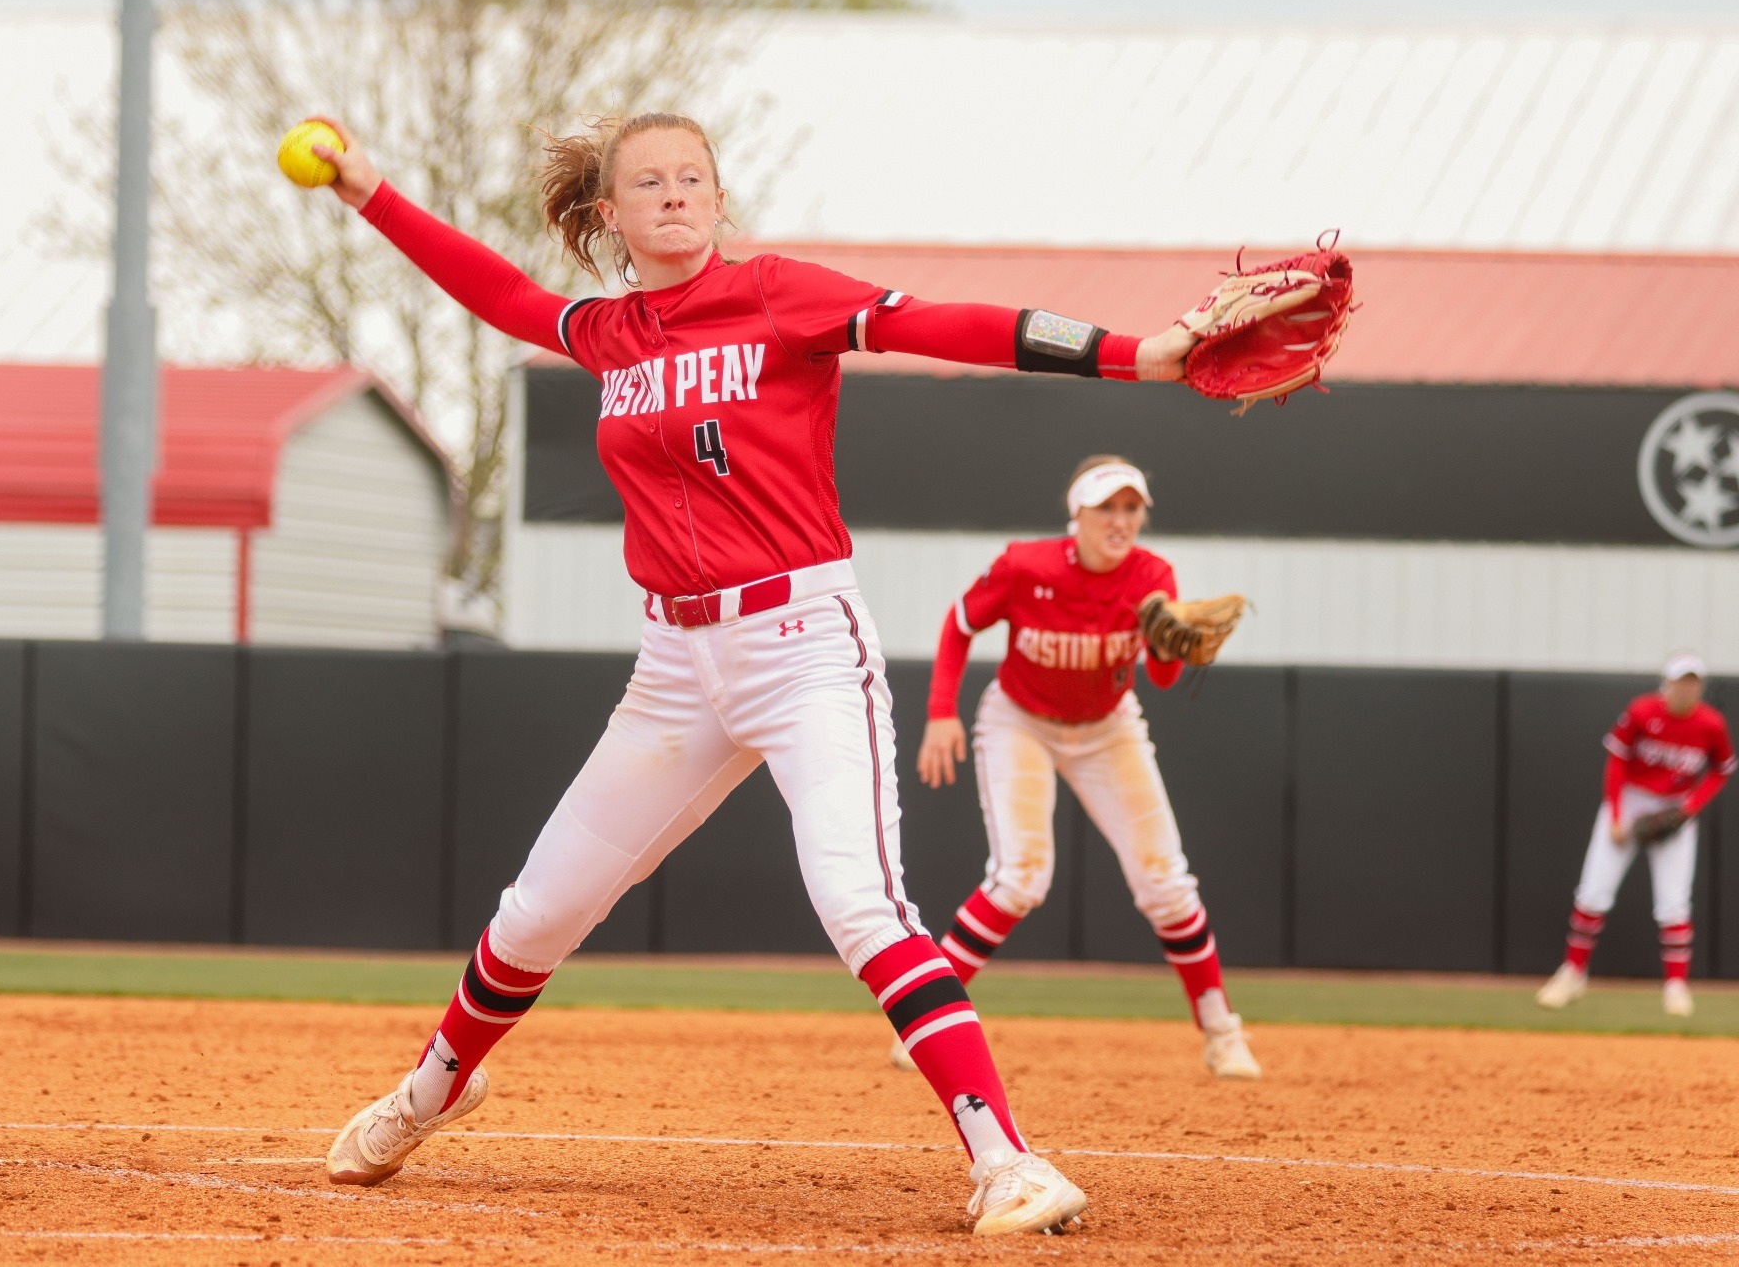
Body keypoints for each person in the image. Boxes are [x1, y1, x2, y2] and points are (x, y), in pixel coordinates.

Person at [303, 109, 1215, 1235]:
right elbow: (494, 291)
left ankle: (1008, 1163)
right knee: (537, 911)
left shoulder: (777, 295)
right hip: (674, 666)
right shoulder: (606, 333)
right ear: (609, 214)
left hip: (802, 647)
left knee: (859, 901)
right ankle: (432, 1088)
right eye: (649, 182)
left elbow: (943, 324)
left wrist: (1135, 354)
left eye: (693, 177)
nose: (676, 195)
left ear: (719, 201)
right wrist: (369, 190)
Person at [908, 456, 1261, 1081]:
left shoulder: (1152, 576)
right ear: (1078, 515)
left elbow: (1162, 679)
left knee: (1166, 883)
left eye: (1132, 508)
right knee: (1020, 879)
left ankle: (1222, 1033)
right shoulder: (1027, 566)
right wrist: (941, 712)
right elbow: (960, 624)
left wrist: (1167, 646)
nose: (1121, 521)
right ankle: (925, 1022)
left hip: (1107, 728)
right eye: (1107, 508)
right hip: (1021, 721)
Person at [1536, 653, 1733, 1018]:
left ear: (1700, 688)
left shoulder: (1710, 724)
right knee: (1593, 893)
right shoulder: (1643, 711)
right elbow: (1617, 760)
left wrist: (1689, 808)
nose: (1686, 688)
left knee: (1674, 903)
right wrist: (1615, 814)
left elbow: (1722, 769)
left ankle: (1676, 988)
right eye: (1680, 681)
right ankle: (1572, 973)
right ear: (1666, 684)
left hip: (1674, 809)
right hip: (1630, 801)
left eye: (1693, 682)